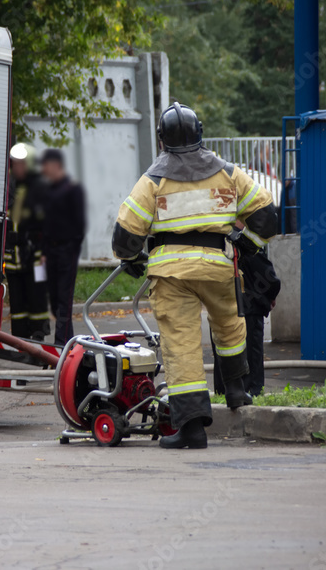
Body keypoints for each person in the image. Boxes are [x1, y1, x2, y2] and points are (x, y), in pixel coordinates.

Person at [112, 102, 278, 449]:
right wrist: (245, 243)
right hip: (218, 267)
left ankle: (192, 429)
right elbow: (268, 218)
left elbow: (125, 234)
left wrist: (131, 259)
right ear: (200, 134)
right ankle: (236, 391)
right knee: (230, 326)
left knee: (182, 344)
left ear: (161, 139)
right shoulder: (228, 173)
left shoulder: (153, 180)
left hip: (172, 274)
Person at [213, 226, 282, 397]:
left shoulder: (214, 242)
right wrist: (269, 297)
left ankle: (223, 392)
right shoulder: (246, 243)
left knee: (223, 351)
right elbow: (269, 278)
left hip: (219, 307)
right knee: (251, 355)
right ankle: (251, 391)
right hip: (248, 310)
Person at [40, 148, 86, 346]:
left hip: (67, 250)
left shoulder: (72, 189)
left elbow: (79, 223)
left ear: (56, 165)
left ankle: (60, 345)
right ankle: (70, 341)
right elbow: (45, 224)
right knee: (55, 299)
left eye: (46, 165)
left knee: (64, 299)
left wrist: (72, 248)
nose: (43, 169)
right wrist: (43, 251)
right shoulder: (49, 191)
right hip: (50, 252)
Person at [5, 143, 51, 340]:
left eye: (22, 163)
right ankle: (20, 338)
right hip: (13, 257)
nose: (18, 168)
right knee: (17, 301)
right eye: (15, 163)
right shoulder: (7, 187)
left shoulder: (40, 187)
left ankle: (38, 335)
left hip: (37, 257)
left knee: (37, 297)